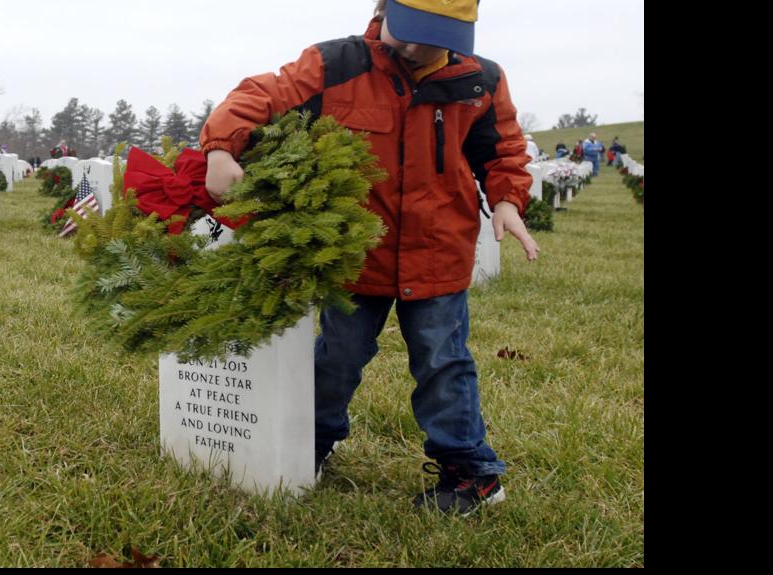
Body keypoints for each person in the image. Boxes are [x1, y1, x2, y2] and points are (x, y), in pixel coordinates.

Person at [202, 0, 538, 513]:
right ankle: (311, 443)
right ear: (384, 7)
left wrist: (508, 201)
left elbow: (502, 151)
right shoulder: (334, 64)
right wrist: (221, 149)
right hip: (357, 255)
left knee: (443, 361)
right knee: (338, 355)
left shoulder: (481, 81)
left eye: (435, 36)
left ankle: (471, 472)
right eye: (409, 30)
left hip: (439, 254)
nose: (416, 46)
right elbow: (260, 94)